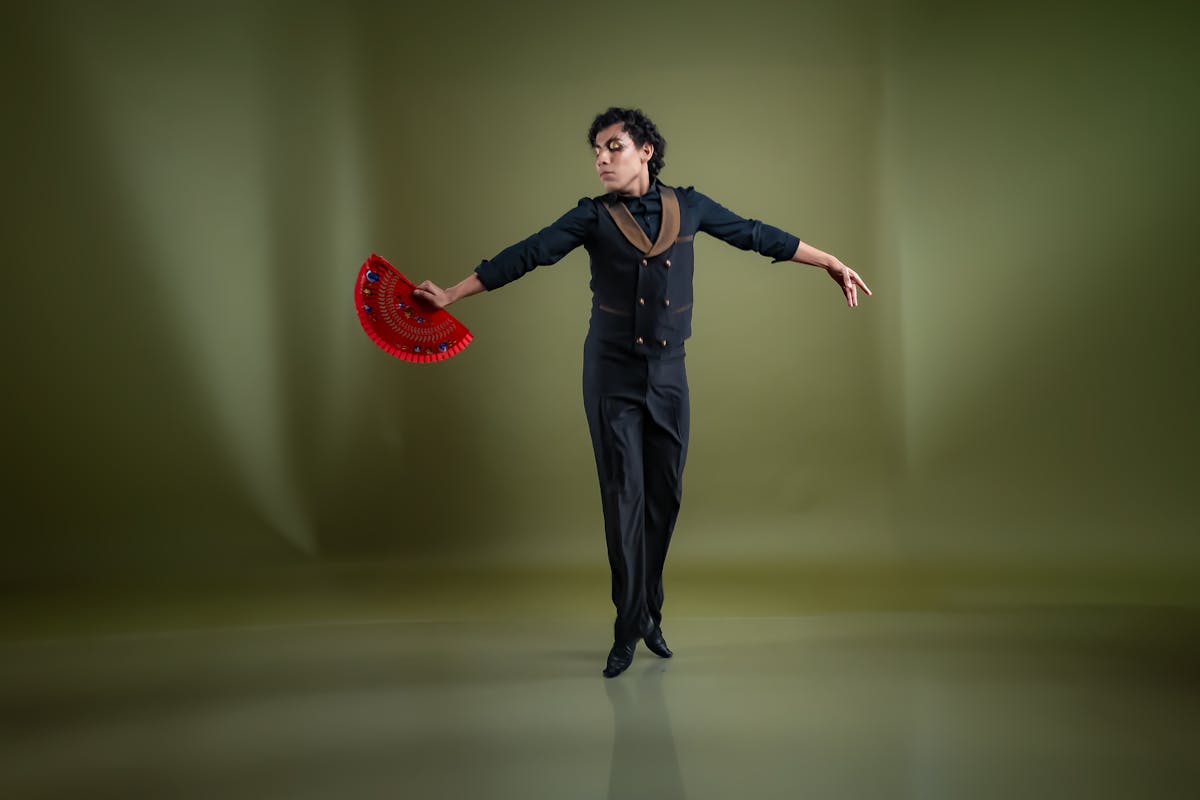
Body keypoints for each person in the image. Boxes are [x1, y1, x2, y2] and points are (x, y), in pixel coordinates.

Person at [413, 107, 870, 678]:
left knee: (664, 497)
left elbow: (757, 235)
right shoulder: (591, 218)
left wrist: (828, 260)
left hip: (670, 375)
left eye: (613, 147)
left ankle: (648, 611)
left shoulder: (691, 207)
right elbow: (526, 254)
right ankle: (627, 626)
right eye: (597, 152)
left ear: (645, 151)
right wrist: (453, 294)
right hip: (611, 376)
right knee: (624, 495)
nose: (602, 159)